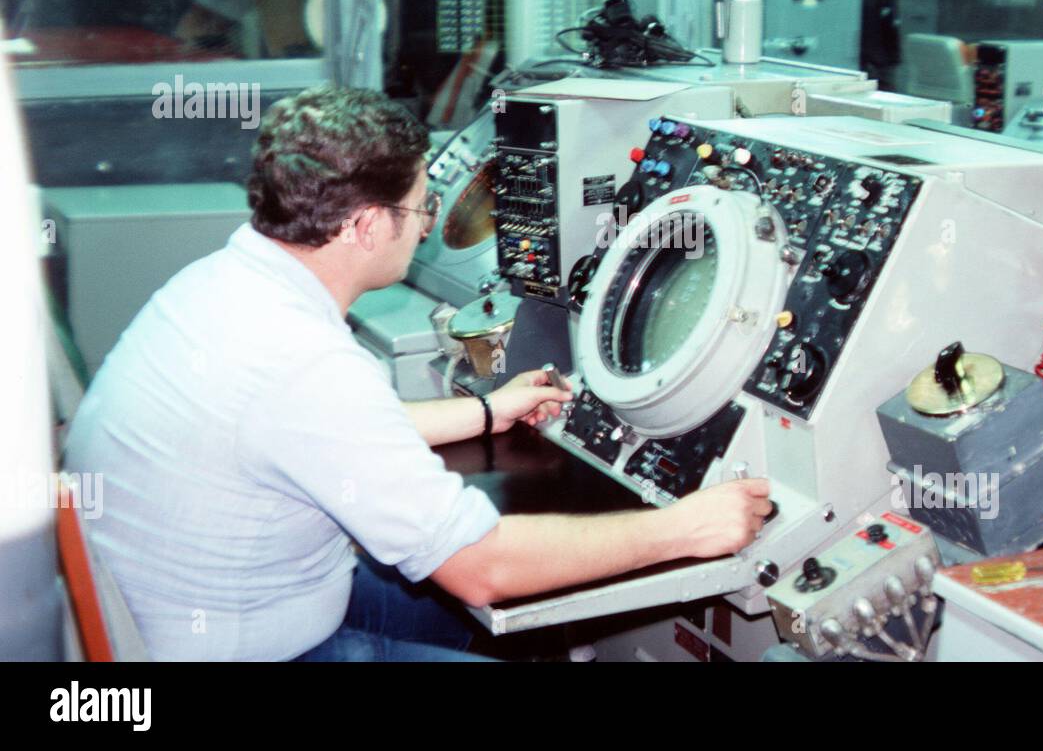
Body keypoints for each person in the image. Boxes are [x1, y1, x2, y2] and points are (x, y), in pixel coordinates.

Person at [63, 86, 770, 661]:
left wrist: (488, 411)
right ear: (367, 226)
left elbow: (314, 435)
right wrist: (683, 527)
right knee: (480, 605)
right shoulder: (303, 362)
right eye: (419, 206)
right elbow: (482, 567)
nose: (429, 223)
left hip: (204, 608)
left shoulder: (219, 285)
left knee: (476, 622)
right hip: (247, 643)